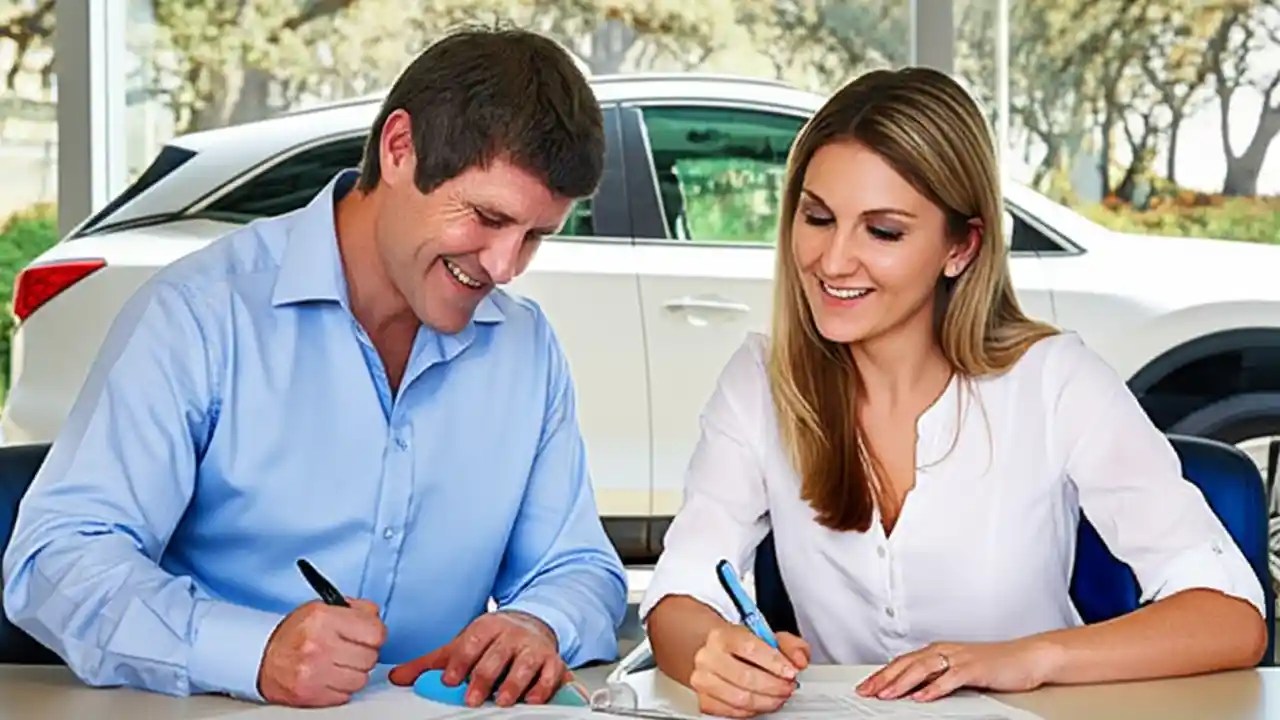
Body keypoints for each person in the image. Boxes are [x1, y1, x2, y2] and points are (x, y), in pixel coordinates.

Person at [2, 27, 627, 709]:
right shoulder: (203, 316)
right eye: (485, 217)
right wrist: (253, 650)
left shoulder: (525, 350)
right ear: (398, 149)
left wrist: (533, 623)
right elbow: (56, 560)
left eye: (535, 236)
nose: (505, 267)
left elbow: (579, 568)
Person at [639, 67, 1268, 719]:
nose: (832, 261)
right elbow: (681, 596)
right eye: (818, 217)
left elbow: (1230, 618)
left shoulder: (1054, 380)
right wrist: (714, 652)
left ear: (961, 247)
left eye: (882, 232)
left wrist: (1026, 659)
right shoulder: (761, 383)